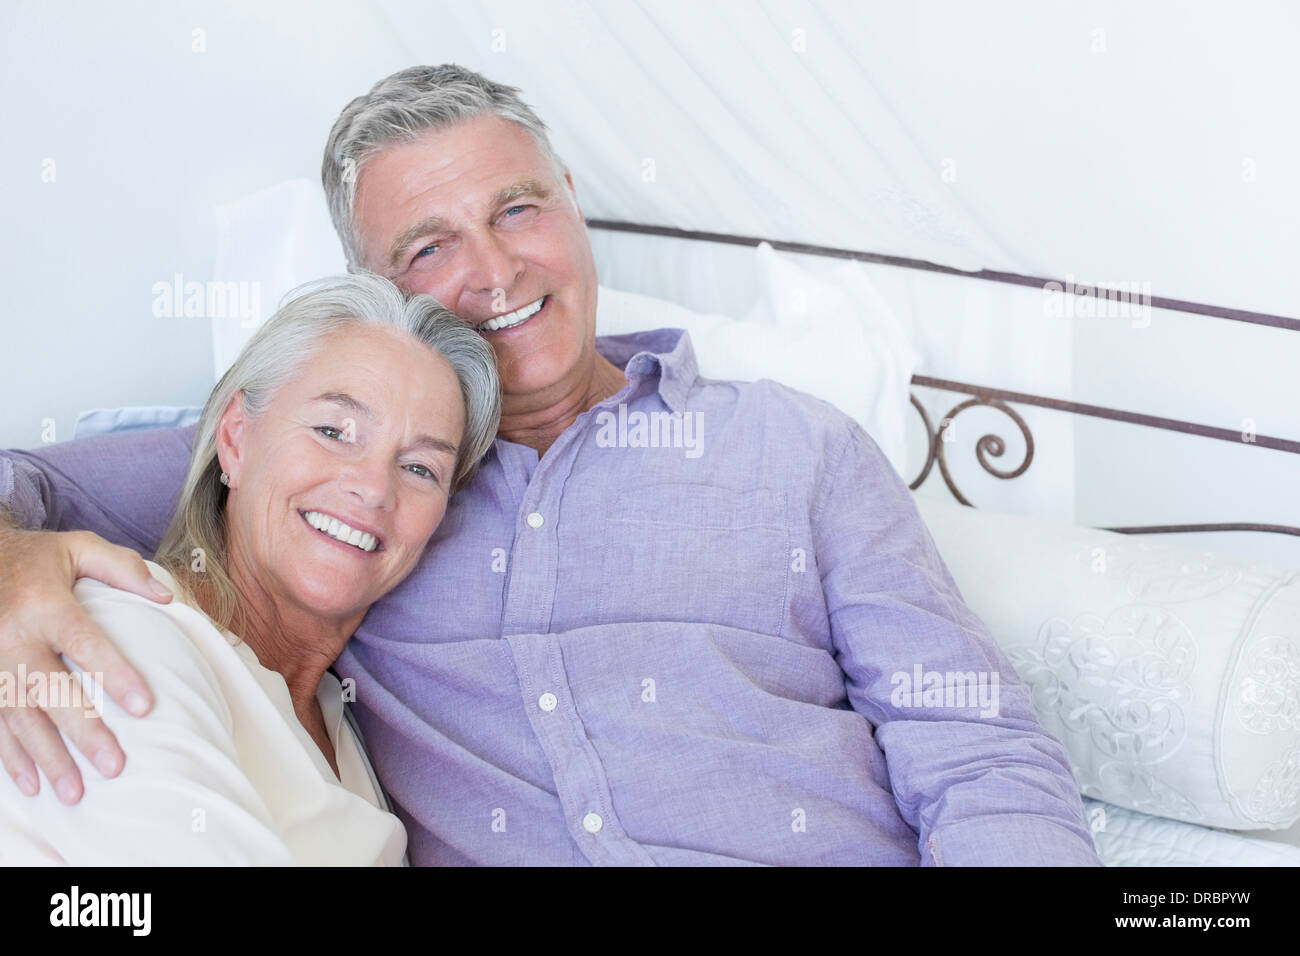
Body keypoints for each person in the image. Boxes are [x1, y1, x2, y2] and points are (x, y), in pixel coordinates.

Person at [0, 64, 1101, 865]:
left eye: (516, 208)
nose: (490, 269)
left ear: (572, 200)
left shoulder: (794, 449)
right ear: (379, 289)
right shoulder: (349, 475)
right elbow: (36, 484)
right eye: (426, 245)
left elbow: (975, 748)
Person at [0, 273, 501, 864]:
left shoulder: (345, 729)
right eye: (333, 431)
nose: (372, 489)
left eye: (420, 468)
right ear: (235, 439)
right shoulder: (122, 635)